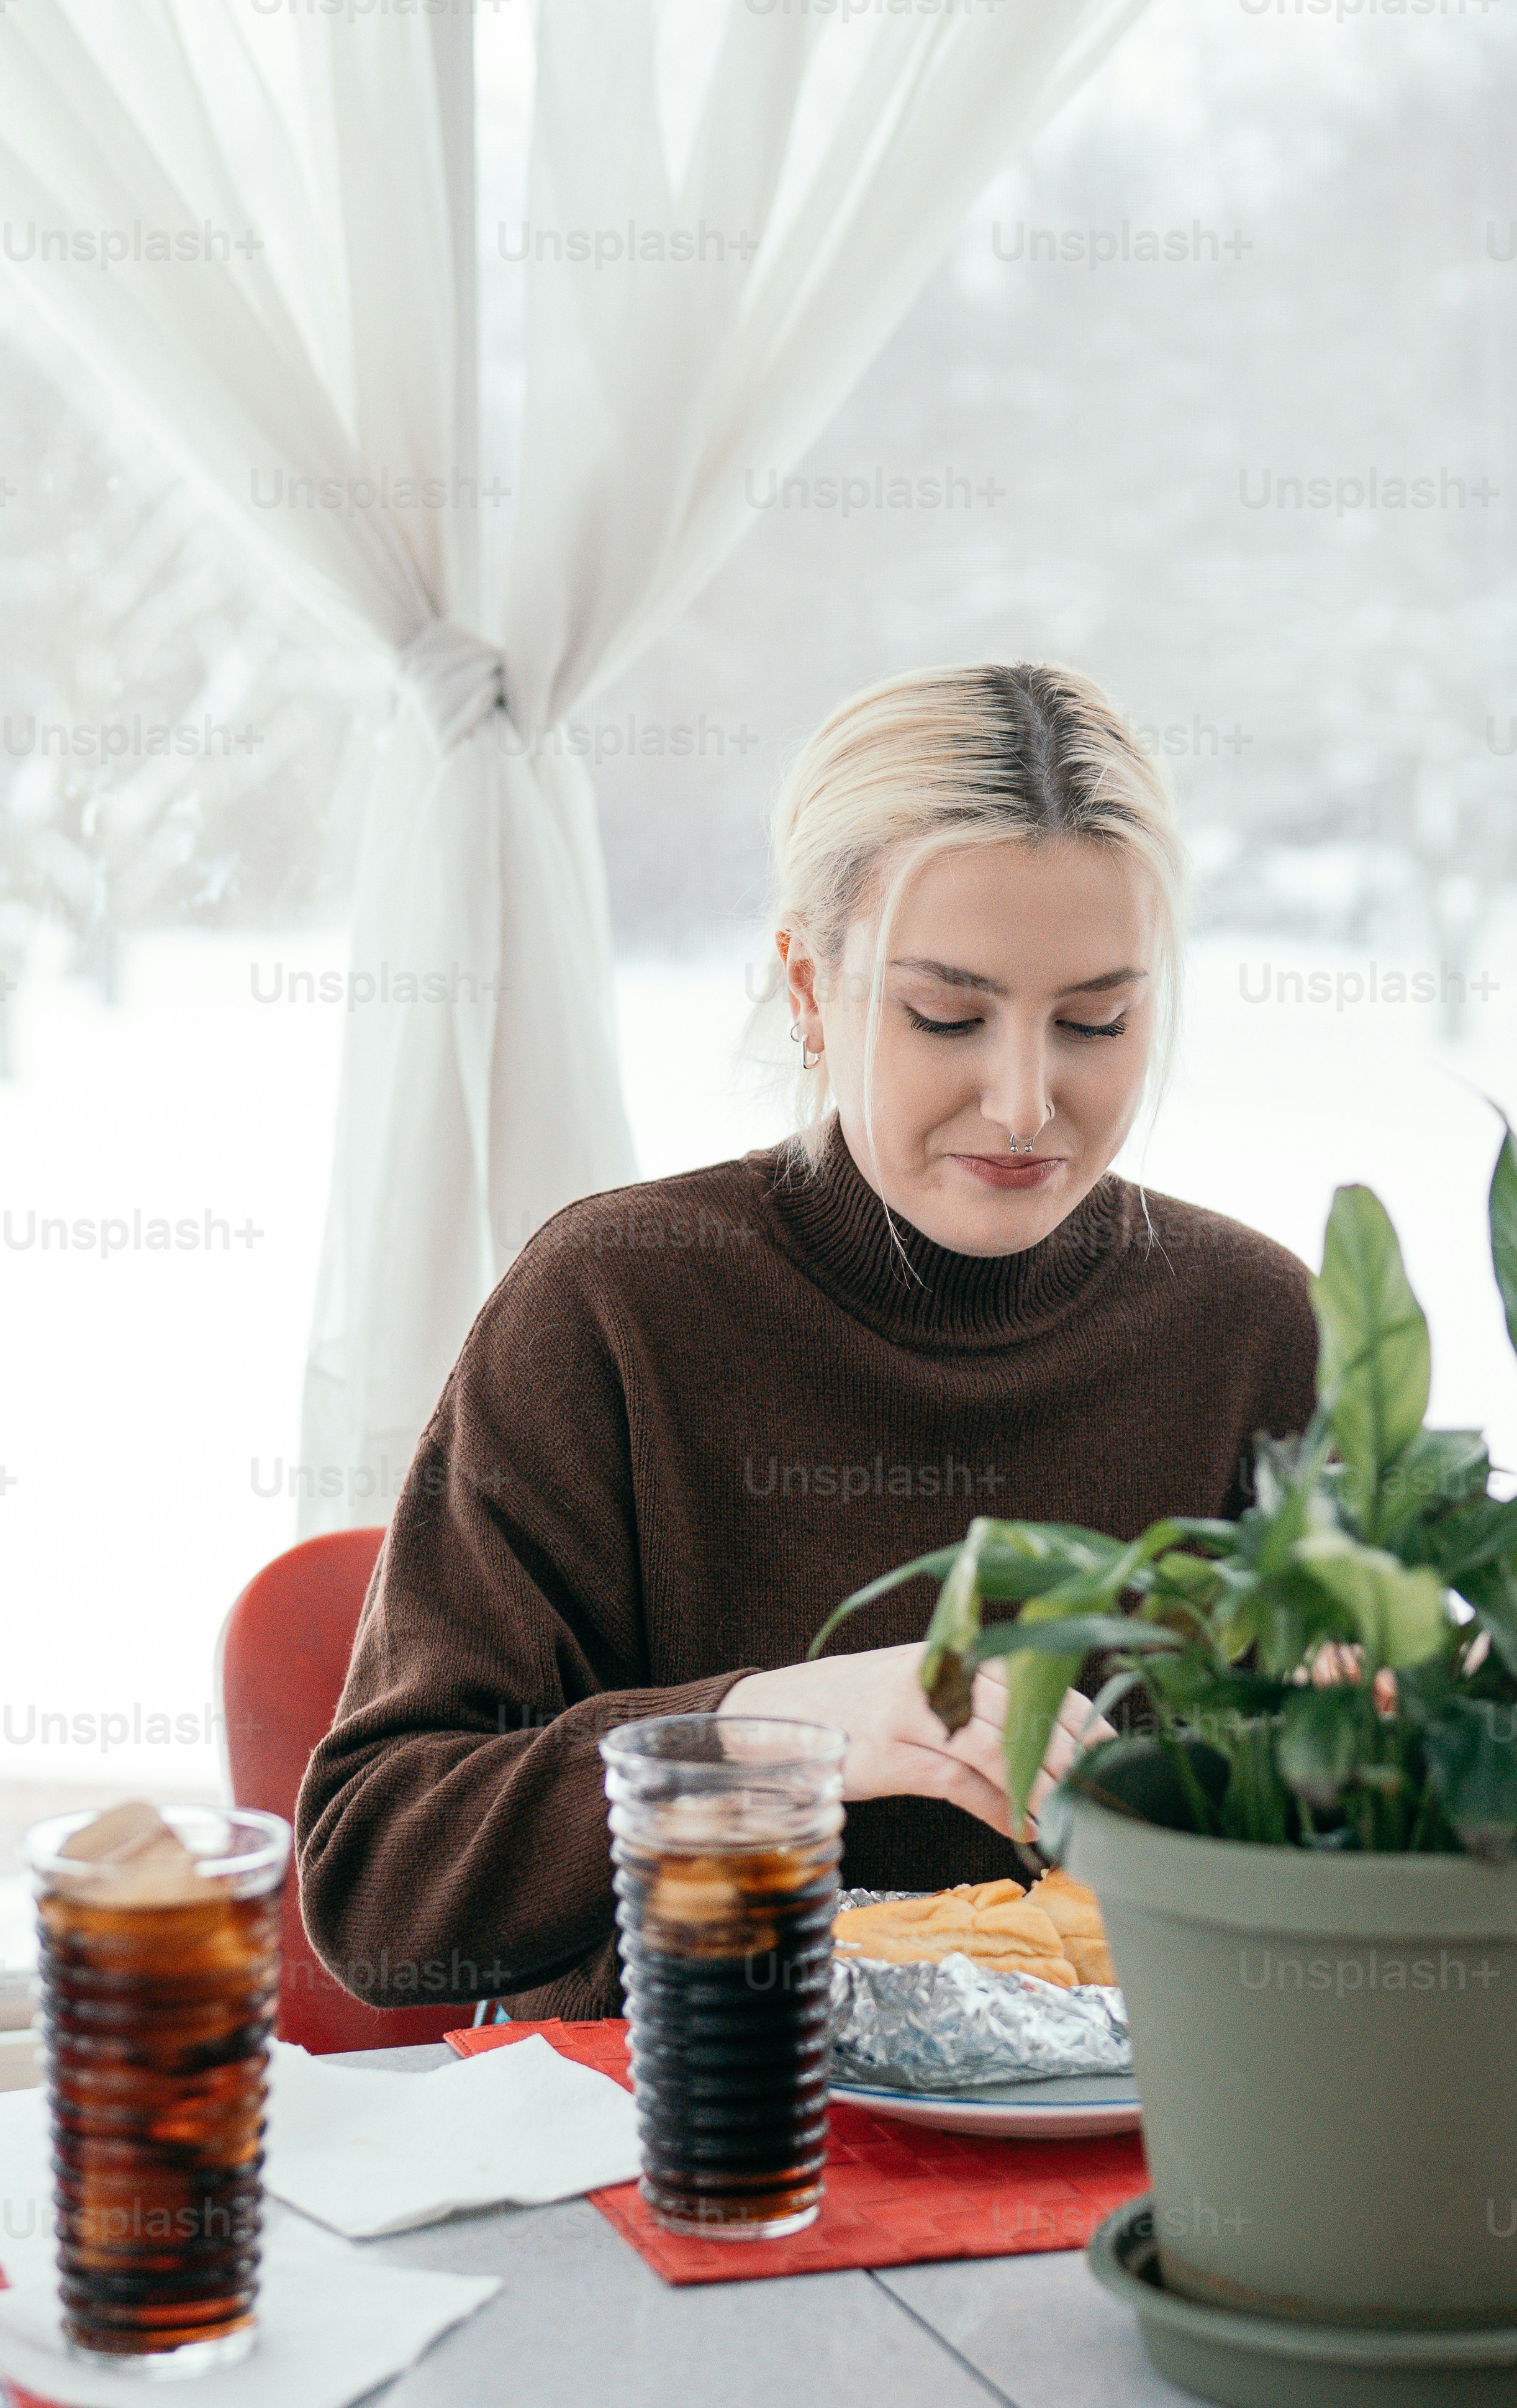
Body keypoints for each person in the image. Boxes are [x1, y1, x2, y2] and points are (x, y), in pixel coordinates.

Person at [301, 661, 1323, 2019]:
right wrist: (764, 1735)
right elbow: (381, 1879)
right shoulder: (613, 1306)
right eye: (946, 1016)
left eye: (1097, 1023)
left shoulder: (1256, 1325)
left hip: (1153, 2165)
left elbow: (1445, 1841)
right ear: (806, 987)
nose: (1025, 1102)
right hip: (705, 2156)